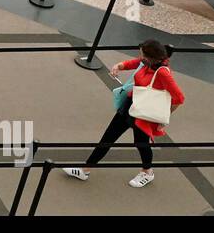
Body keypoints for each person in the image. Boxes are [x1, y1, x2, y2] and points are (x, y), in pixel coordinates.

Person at [62, 40, 184, 188]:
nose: (140, 57)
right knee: (108, 137)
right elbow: (134, 63)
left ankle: (147, 171)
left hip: (145, 114)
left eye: (142, 54)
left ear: (150, 57)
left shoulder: (163, 73)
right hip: (130, 105)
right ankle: (85, 169)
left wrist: (163, 118)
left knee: (141, 144)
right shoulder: (148, 62)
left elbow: (179, 98)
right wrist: (119, 66)